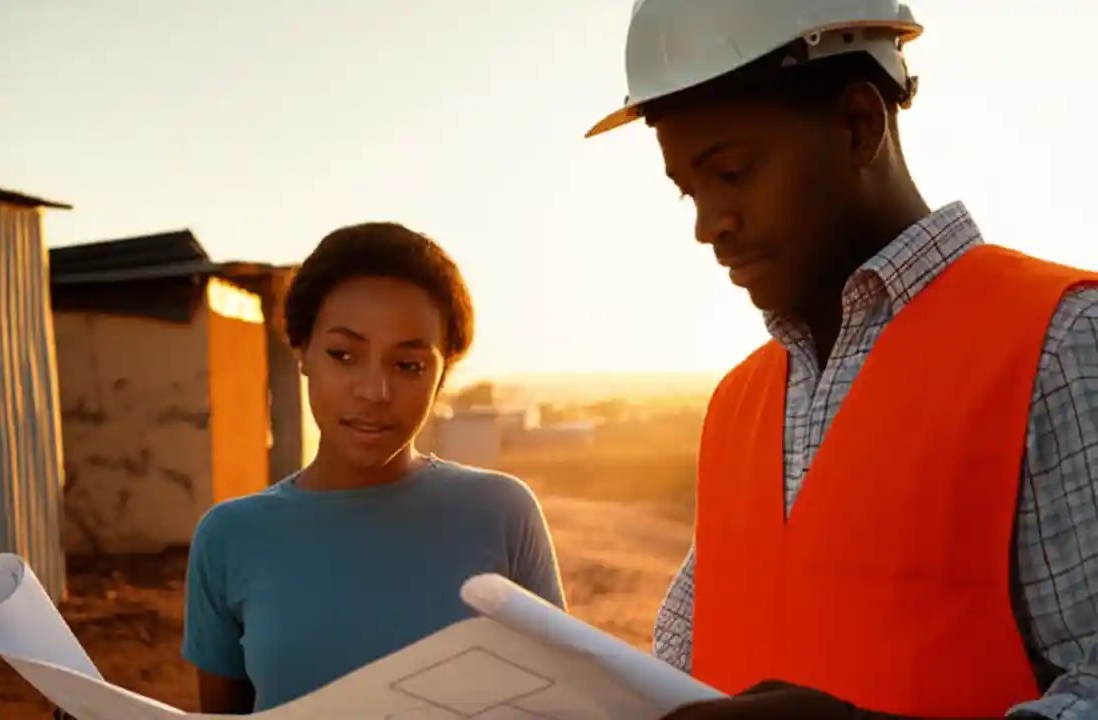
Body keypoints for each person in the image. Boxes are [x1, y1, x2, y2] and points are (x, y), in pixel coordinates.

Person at [583, 2, 1098, 719]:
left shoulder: (1064, 343)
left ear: (858, 124)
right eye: (689, 192)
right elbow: (693, 660)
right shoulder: (738, 404)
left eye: (731, 172)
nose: (707, 225)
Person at [176, 222, 566, 714]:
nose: (374, 391)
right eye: (343, 355)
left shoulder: (502, 513)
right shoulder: (230, 537)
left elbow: (560, 702)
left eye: (408, 365)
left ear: (442, 373)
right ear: (301, 351)